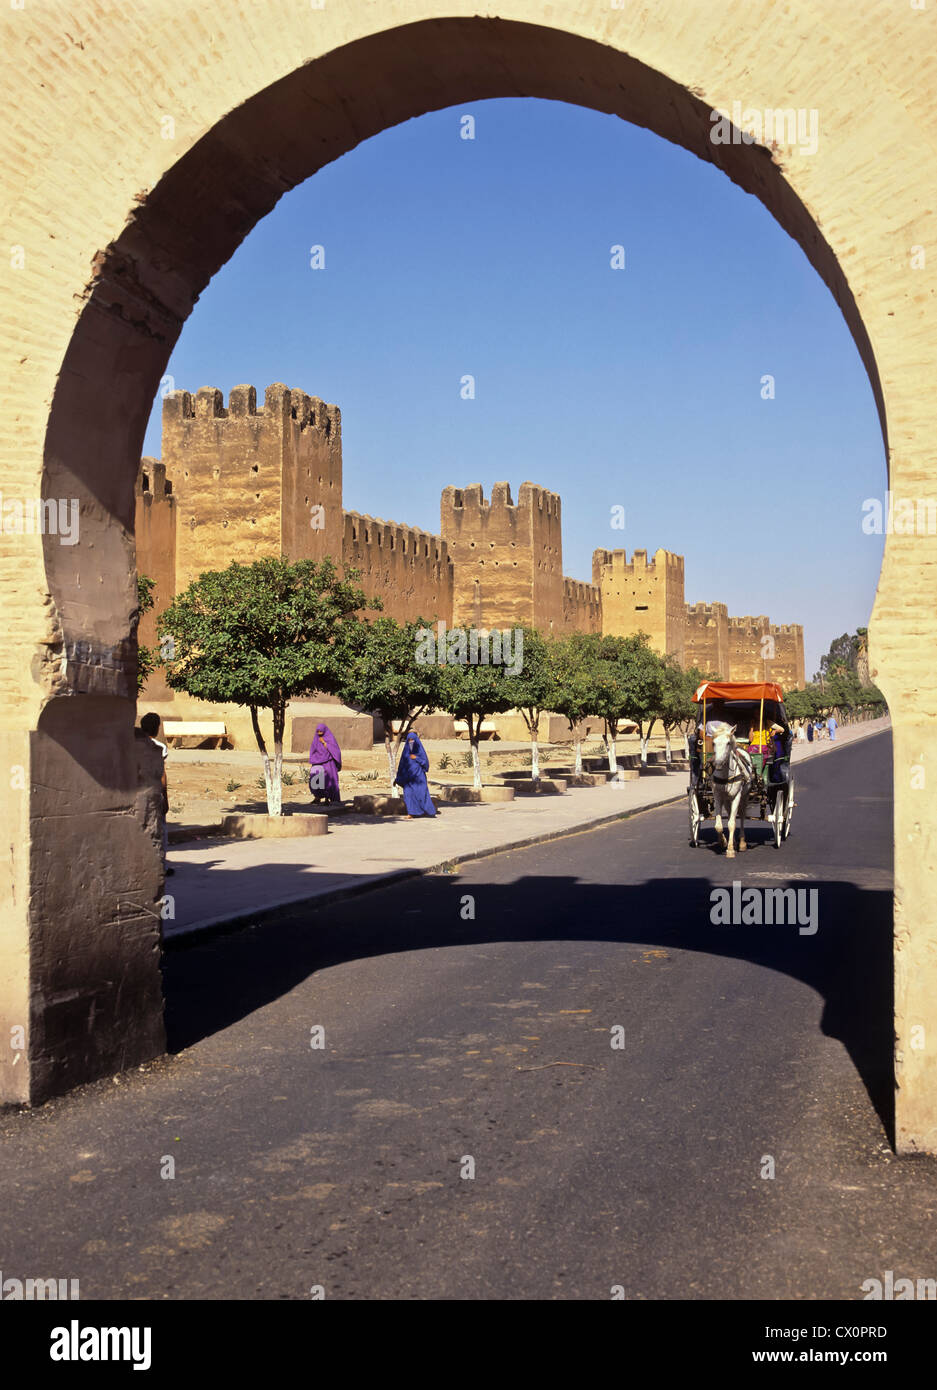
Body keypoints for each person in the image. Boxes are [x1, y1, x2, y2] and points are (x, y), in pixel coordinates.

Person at [138, 712, 171, 876]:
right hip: (154, 792)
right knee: (160, 831)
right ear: (157, 728)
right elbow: (162, 775)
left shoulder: (134, 745)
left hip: (137, 792)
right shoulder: (159, 747)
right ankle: (160, 867)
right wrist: (166, 798)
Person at [394, 730, 437, 818]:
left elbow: (425, 762)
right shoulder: (406, 752)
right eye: (409, 740)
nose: (411, 742)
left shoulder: (419, 750)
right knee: (408, 794)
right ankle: (411, 813)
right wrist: (398, 778)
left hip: (419, 777)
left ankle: (428, 811)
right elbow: (401, 765)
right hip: (408, 778)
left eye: (412, 740)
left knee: (421, 793)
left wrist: (416, 758)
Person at [308, 723, 342, 803]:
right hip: (317, 762)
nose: (319, 733)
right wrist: (314, 758)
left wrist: (324, 742)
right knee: (315, 779)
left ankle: (328, 798)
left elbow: (336, 750)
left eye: (321, 731)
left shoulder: (330, 738)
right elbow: (312, 750)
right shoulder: (316, 739)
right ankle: (317, 797)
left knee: (328, 780)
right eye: (318, 732)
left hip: (328, 763)